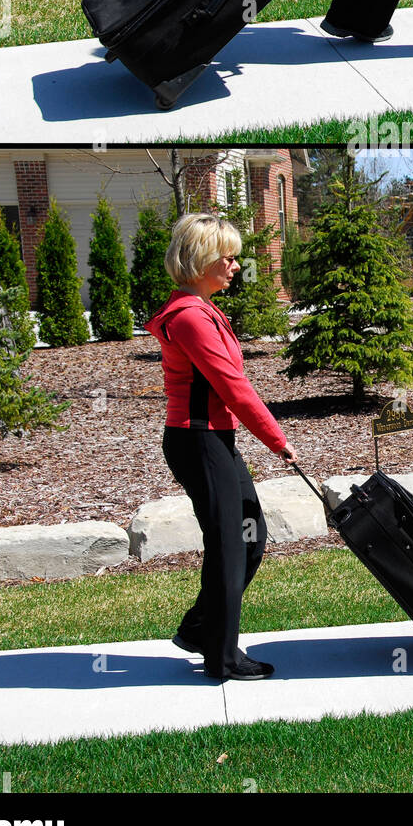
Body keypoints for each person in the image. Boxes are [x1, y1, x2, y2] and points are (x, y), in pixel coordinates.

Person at [146, 213, 298, 682]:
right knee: (230, 546)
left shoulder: (203, 309)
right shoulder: (190, 317)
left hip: (216, 439)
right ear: (200, 260)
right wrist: (277, 440)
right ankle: (223, 657)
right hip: (198, 440)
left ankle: (199, 630)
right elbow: (233, 386)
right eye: (227, 257)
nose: (235, 265)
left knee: (250, 535)